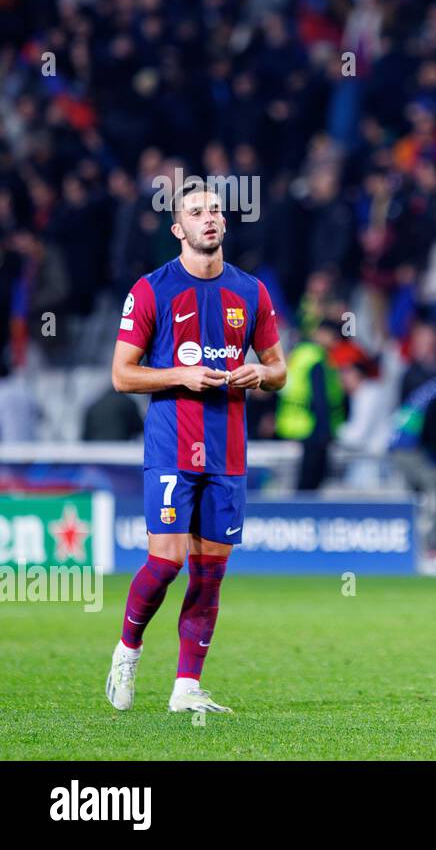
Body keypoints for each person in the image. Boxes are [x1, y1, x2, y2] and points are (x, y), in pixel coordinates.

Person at [106, 181, 286, 715]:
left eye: (215, 210)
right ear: (177, 229)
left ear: (224, 223)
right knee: (167, 561)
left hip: (228, 450)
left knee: (210, 571)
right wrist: (180, 375)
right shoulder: (151, 289)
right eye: (195, 212)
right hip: (171, 446)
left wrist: (263, 372)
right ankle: (128, 650)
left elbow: (280, 369)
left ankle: (186, 687)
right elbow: (121, 374)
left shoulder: (251, 292)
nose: (208, 218)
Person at [276, 320, 345, 490]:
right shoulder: (315, 357)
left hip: (291, 424)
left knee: (296, 484)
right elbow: (319, 396)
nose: (335, 342)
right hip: (310, 429)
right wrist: (325, 432)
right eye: (333, 337)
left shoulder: (298, 353)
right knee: (309, 484)